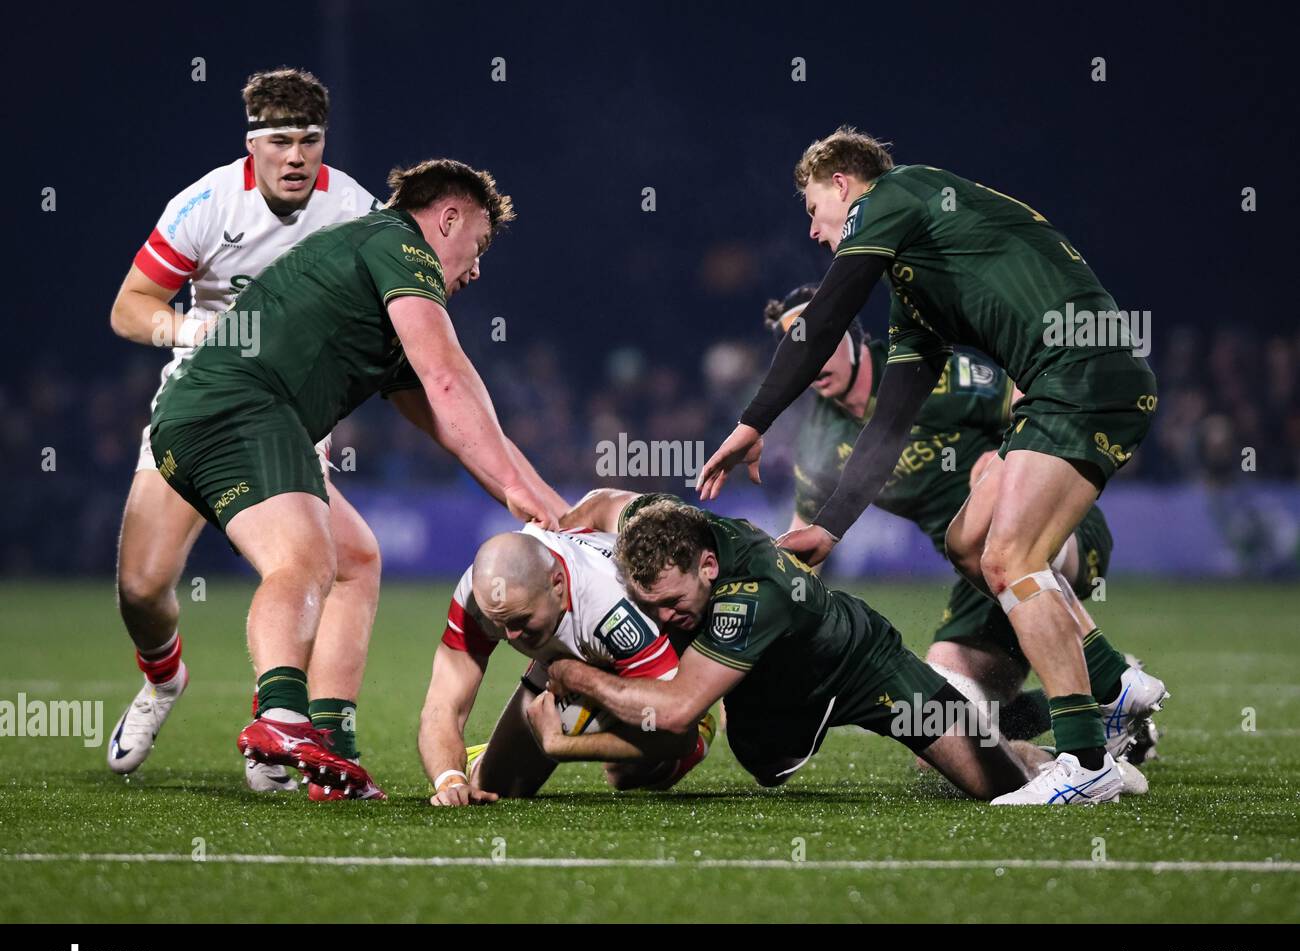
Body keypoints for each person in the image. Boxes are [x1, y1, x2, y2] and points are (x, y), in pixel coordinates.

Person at [698, 127, 1166, 803]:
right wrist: (829, 528)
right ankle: (1114, 683)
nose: (812, 231)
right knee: (969, 543)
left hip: (1077, 376)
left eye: (812, 211)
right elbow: (890, 422)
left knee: (1010, 556)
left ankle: (1086, 763)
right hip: (1078, 379)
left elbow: (827, 313)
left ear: (840, 185)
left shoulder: (895, 192)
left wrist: (751, 422)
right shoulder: (920, 289)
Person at [148, 156, 566, 795]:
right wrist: (531, 495)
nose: (477, 267)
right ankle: (281, 719)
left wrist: (531, 498)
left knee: (354, 559)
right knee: (303, 557)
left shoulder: (380, 289)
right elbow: (450, 376)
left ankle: (328, 751)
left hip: (225, 414)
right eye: (477, 244)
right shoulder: (398, 243)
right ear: (447, 218)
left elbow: (451, 423)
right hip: (236, 405)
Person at [107, 68, 386, 795]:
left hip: (287, 419)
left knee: (332, 560)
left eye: (311, 141)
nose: (297, 156)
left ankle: (300, 726)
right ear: (252, 145)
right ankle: (164, 681)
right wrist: (188, 327)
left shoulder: (354, 208)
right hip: (199, 410)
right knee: (141, 588)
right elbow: (130, 307)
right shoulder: (205, 203)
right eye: (281, 141)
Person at [770, 285, 1162, 758]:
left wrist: (1002, 467)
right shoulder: (817, 442)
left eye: (823, 341)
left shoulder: (927, 373)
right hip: (980, 586)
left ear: (853, 334)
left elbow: (1038, 402)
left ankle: (1101, 708)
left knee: (996, 514)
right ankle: (1106, 710)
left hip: (1061, 532)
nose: (812, 360)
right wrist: (765, 631)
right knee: (947, 732)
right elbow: (801, 550)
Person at [547, 492, 1124, 804]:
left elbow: (675, 708)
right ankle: (1008, 736)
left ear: (709, 566)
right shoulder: (662, 531)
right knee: (746, 767)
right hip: (772, 692)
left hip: (861, 664)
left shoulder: (753, 597)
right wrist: (559, 540)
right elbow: (601, 503)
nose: (663, 618)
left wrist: (576, 675)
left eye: (672, 603)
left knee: (995, 787)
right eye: (650, 608)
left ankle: (1073, 739)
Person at [418, 520, 714, 806]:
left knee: (627, 772)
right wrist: (450, 779)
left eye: (521, 620)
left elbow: (677, 735)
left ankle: (704, 727)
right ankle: (492, 753)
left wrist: (562, 745)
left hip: (646, 654)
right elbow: (443, 704)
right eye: (500, 623)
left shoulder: (611, 610)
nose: (510, 636)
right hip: (567, 654)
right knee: (493, 787)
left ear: (557, 584)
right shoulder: (479, 595)